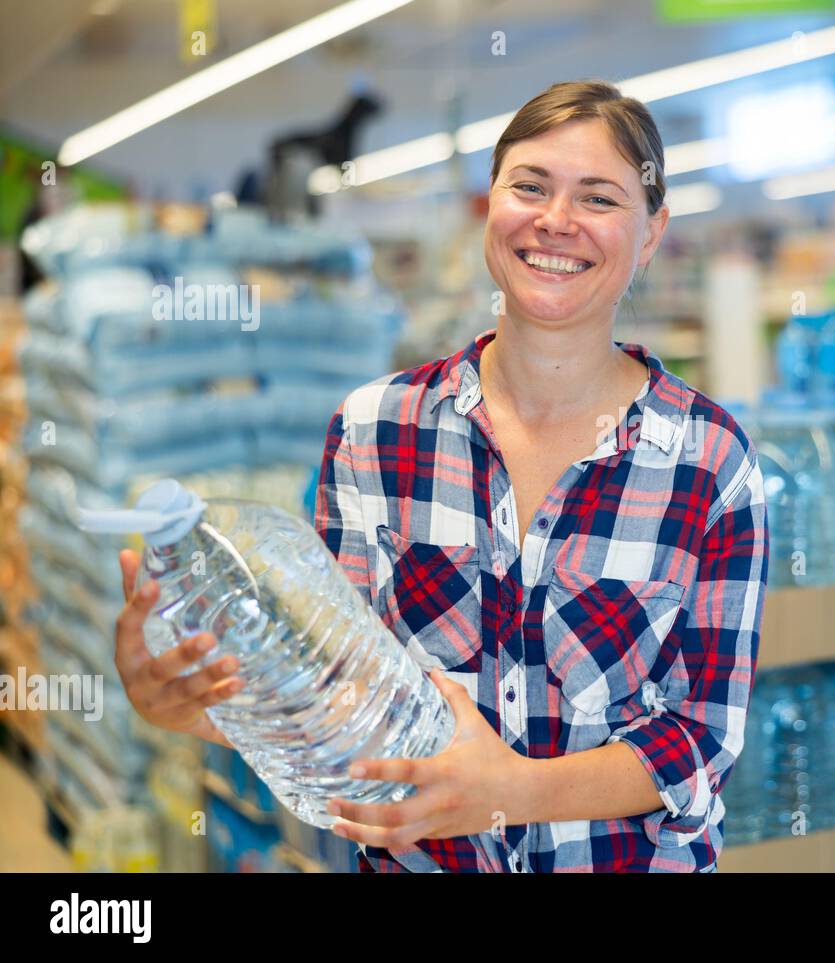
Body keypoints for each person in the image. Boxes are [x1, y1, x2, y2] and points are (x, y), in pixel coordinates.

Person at [113, 80, 769, 873]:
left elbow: (701, 737)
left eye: (599, 198)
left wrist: (517, 790)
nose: (556, 220)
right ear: (488, 204)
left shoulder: (709, 459)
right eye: (530, 186)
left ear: (653, 231)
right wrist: (187, 704)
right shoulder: (374, 431)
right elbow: (334, 699)